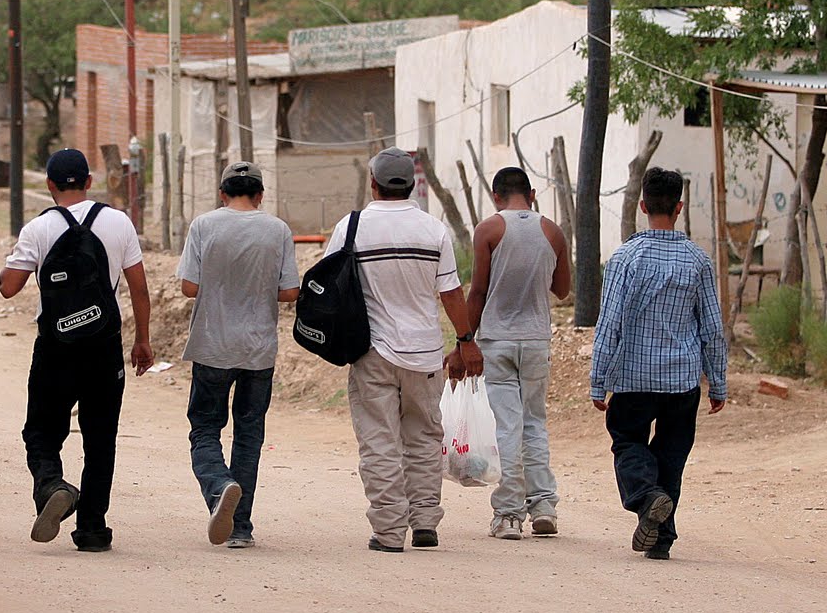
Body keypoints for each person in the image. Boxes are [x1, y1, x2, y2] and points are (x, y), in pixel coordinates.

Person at [323, 146, 480, 553]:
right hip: (425, 353)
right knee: (424, 437)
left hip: (371, 353)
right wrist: (466, 342)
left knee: (379, 442)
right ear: (411, 185)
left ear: (372, 183)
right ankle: (425, 522)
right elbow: (451, 293)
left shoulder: (351, 228)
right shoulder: (433, 229)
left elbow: (330, 288)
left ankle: (390, 531)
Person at [0, 148, 154, 553]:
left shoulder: (39, 228)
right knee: (100, 438)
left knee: (41, 430)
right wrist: (142, 340)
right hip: (104, 344)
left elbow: (8, 287)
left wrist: (13, 261)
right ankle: (92, 529)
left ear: (50, 185)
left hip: (55, 346)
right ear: (88, 181)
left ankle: (52, 484)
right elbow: (139, 288)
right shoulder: (118, 222)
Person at [589, 166, 728, 561]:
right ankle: (661, 540)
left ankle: (647, 496)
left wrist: (599, 380)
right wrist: (718, 381)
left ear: (643, 206)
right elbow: (712, 328)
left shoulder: (625, 259)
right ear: (679, 207)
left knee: (627, 440)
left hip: (633, 377)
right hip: (682, 381)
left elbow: (609, 323)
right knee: (671, 455)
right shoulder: (698, 261)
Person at [177, 161, 300, 549]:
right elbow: (290, 292)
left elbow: (189, 286)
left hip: (212, 346)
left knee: (204, 428)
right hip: (258, 350)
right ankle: (240, 528)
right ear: (260, 195)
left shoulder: (204, 225)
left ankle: (219, 486)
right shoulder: (277, 230)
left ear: (222, 193)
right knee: (248, 436)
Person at [456, 166, 571, 541]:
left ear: (495, 197)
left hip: (497, 340)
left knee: (507, 426)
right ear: (532, 194)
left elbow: (478, 291)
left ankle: (508, 514)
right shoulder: (552, 231)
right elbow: (562, 289)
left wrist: (463, 342)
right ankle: (544, 505)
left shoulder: (489, 230)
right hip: (536, 340)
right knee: (534, 423)